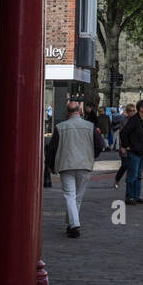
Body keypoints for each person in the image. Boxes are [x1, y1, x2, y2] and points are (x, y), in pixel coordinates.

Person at [48, 99, 99, 237]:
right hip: (84, 164)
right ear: (80, 111)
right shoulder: (90, 126)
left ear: (67, 112)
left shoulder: (61, 127)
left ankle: (73, 224)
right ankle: (72, 223)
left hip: (66, 164)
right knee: (78, 197)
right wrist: (92, 155)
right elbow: (100, 144)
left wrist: (51, 165)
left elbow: (52, 148)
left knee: (69, 195)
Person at [121, 99, 143, 205]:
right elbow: (124, 132)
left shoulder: (142, 120)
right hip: (134, 152)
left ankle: (136, 196)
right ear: (141, 108)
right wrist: (127, 146)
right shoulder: (134, 120)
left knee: (138, 175)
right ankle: (129, 197)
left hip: (141, 151)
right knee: (132, 175)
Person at [113, 103, 137, 188]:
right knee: (125, 165)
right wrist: (121, 147)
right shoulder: (124, 120)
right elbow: (121, 134)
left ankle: (128, 181)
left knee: (132, 166)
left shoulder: (136, 120)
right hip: (125, 145)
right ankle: (117, 179)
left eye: (134, 110)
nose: (132, 112)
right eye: (130, 111)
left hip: (133, 146)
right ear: (127, 111)